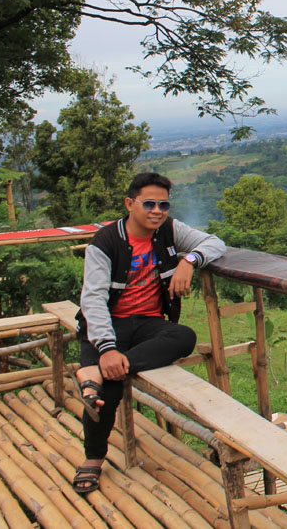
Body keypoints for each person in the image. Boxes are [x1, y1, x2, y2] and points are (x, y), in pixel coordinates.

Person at [71, 172, 226, 494]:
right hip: (107, 323)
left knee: (183, 336)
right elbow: (93, 300)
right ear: (130, 204)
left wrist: (189, 261)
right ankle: (93, 458)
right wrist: (107, 348)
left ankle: (95, 371)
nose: (157, 211)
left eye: (164, 205)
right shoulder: (105, 242)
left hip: (148, 322)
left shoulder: (169, 230)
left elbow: (215, 243)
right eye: (149, 204)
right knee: (107, 391)